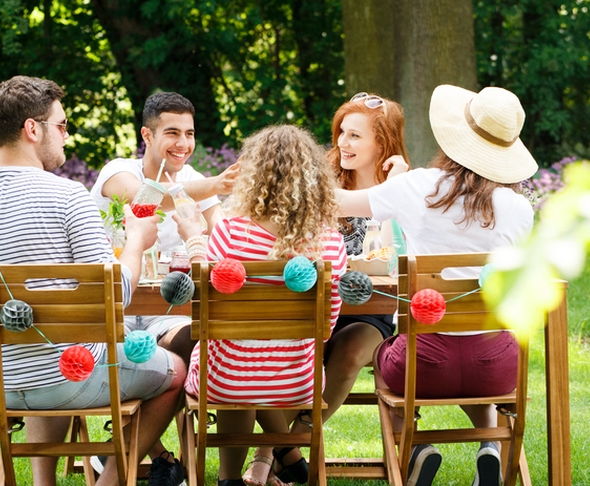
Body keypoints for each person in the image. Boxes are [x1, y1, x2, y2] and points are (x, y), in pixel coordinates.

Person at [0, 76, 194, 486]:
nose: (66, 135)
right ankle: (109, 482)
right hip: (70, 374)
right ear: (32, 129)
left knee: (55, 352)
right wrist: (135, 242)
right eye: (60, 126)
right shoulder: (67, 196)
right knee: (176, 371)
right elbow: (114, 294)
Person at [335, 85, 538, 486]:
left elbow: (339, 202)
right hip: (497, 369)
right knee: (472, 350)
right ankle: (491, 448)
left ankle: (414, 449)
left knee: (384, 353)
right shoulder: (520, 209)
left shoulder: (418, 186)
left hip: (423, 367)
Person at [183, 125, 346, 486]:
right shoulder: (330, 243)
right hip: (297, 382)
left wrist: (193, 237)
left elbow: (207, 300)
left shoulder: (229, 232)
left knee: (232, 357)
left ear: (254, 174)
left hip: (223, 381)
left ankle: (228, 478)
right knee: (259, 362)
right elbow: (327, 327)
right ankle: (286, 453)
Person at [262, 92, 412, 484]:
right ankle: (283, 454)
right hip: (312, 305)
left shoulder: (406, 187)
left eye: (355, 136)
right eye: (341, 133)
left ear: (383, 142)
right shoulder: (322, 180)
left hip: (369, 310)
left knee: (349, 354)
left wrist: (398, 190)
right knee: (275, 359)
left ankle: (285, 447)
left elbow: (402, 256)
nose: (343, 143)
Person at [91, 91, 238, 358]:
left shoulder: (195, 180)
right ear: (147, 135)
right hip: (116, 309)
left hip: (169, 310)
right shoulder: (118, 171)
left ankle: (167, 368)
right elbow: (146, 199)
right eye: (172, 133)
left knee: (195, 340)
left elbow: (225, 238)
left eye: (189, 133)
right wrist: (216, 184)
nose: (183, 143)